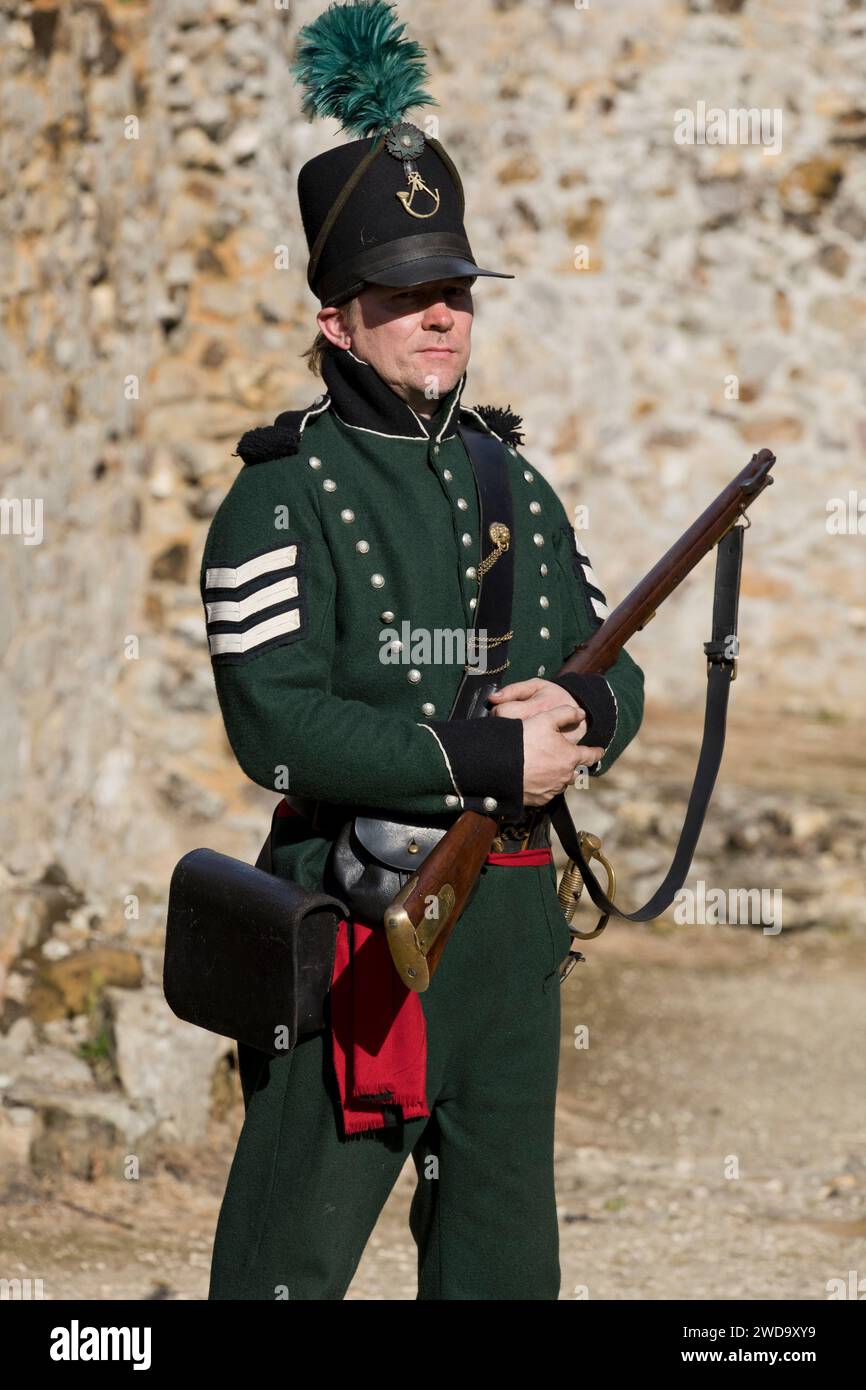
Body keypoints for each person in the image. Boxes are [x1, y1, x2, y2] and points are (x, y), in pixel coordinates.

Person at [203, 0, 644, 1300]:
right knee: (288, 1260)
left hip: (510, 926)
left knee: (505, 1267)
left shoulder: (515, 481)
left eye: (452, 292)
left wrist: (582, 723)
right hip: (356, 916)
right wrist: (473, 750)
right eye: (404, 297)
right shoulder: (280, 492)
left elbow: (606, 667)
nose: (439, 320)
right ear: (338, 318)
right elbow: (272, 724)